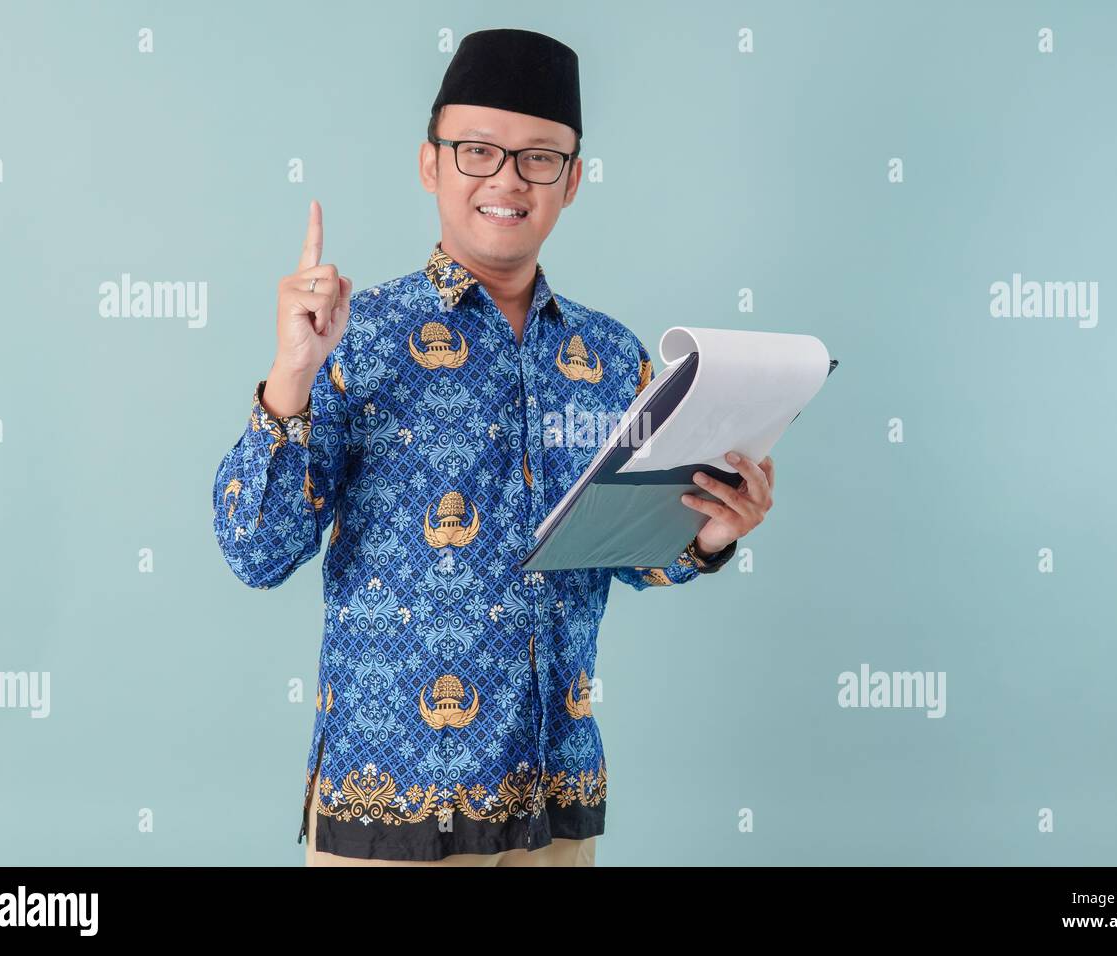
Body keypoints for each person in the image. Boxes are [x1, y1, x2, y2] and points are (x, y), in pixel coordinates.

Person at [211, 28, 776, 866]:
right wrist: (292, 371)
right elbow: (255, 550)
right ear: (430, 163)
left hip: (555, 798)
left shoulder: (615, 360)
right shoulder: (352, 340)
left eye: (539, 158)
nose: (508, 179)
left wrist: (706, 536)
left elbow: (622, 552)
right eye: (477, 151)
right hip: (393, 805)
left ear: (573, 181)